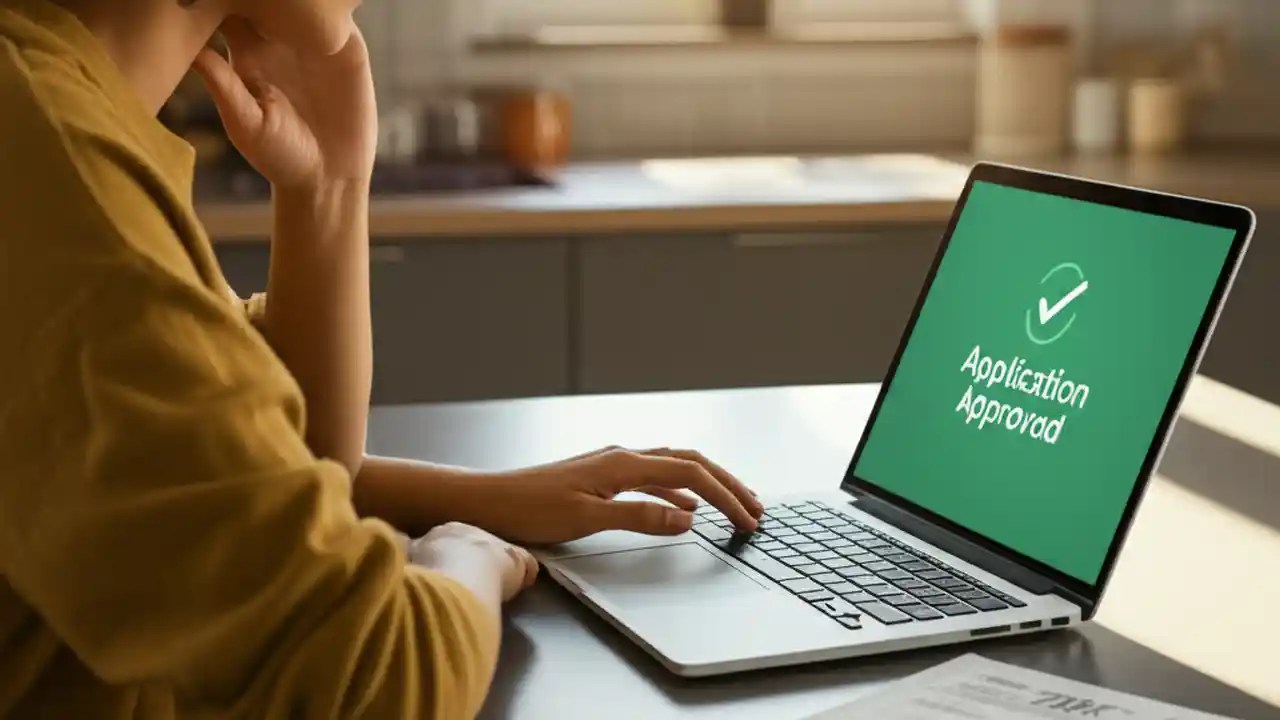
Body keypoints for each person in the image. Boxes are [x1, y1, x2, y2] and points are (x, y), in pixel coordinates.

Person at [0, 0, 765, 716]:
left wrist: (329, 185)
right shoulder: (49, 157)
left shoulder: (51, 105)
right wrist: (465, 557)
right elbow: (375, 680)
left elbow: (269, 468)